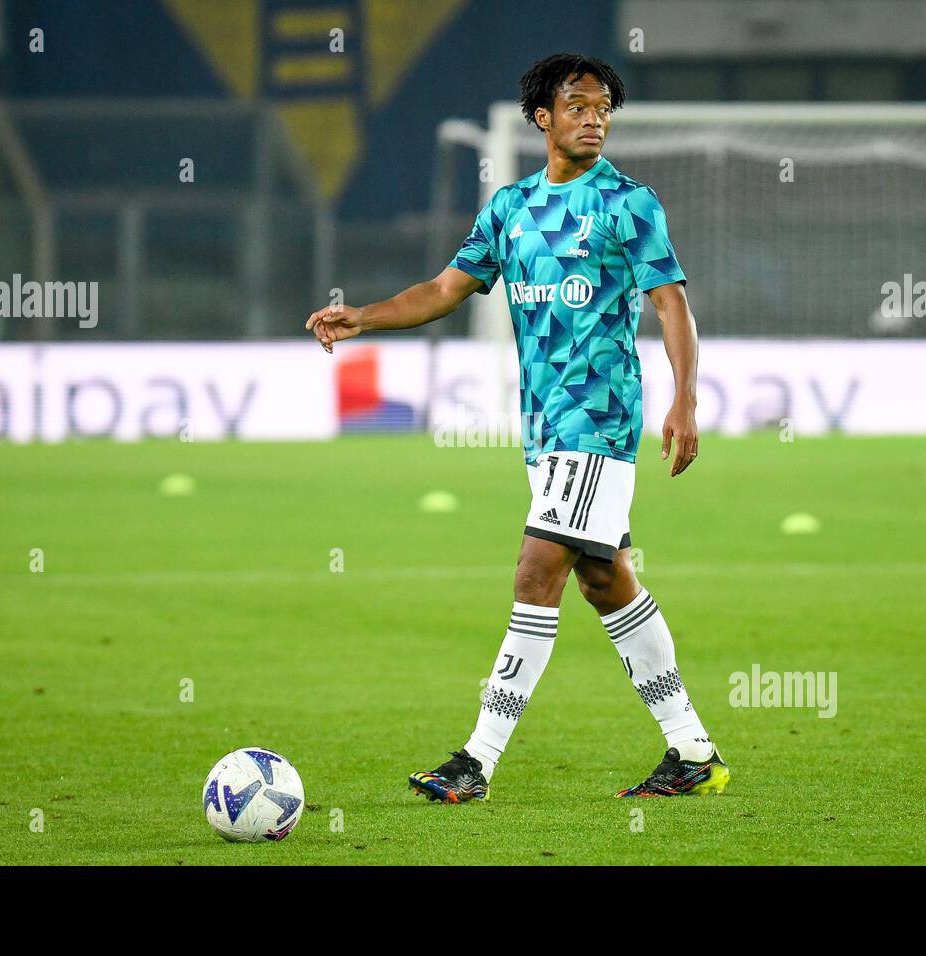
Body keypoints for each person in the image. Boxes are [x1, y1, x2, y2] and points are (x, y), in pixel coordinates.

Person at [306, 53, 728, 801]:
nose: (594, 118)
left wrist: (685, 400)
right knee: (606, 581)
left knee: (538, 572)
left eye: (603, 108)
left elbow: (671, 305)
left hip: (596, 422)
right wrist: (362, 316)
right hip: (541, 432)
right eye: (578, 106)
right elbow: (443, 289)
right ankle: (692, 750)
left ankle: (477, 760)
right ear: (543, 118)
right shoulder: (509, 210)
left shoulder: (629, 204)